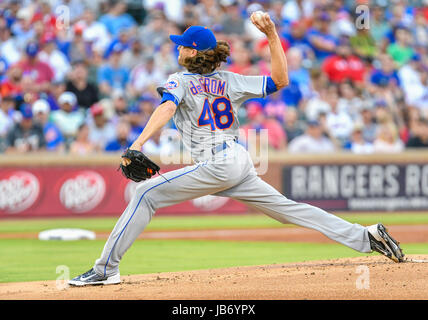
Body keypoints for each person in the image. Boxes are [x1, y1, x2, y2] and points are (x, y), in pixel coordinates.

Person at [69, 15, 404, 286]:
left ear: (193, 53)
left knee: (144, 194)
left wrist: (138, 143)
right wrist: (273, 35)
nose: (178, 49)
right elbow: (280, 80)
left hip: (217, 161)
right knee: (289, 210)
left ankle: (104, 270)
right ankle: (366, 236)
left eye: (183, 46)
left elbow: (167, 108)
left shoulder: (180, 81)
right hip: (239, 161)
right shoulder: (231, 80)